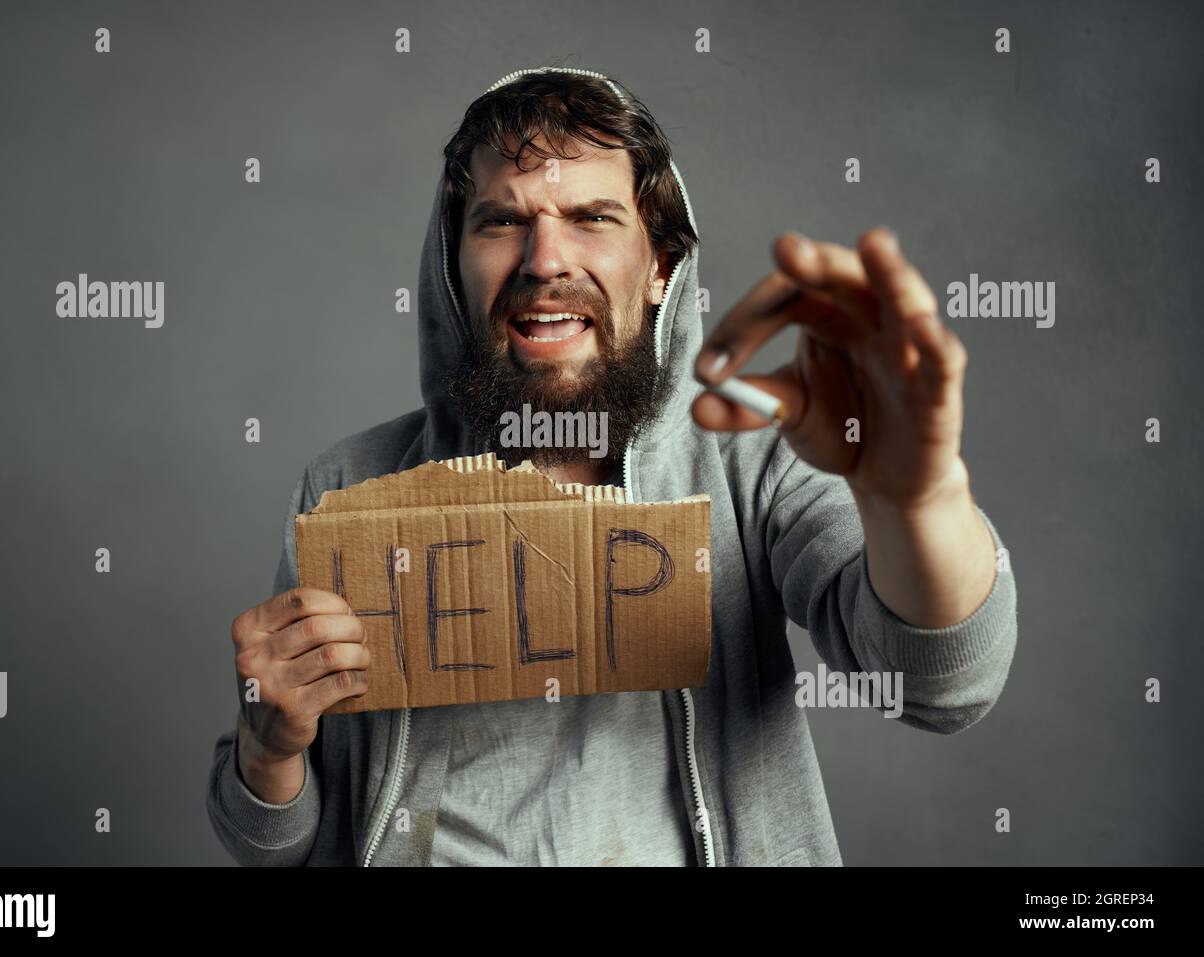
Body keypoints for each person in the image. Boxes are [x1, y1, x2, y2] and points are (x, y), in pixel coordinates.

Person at [206, 66, 1017, 866]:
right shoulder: (349, 486)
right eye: (500, 222)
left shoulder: (756, 463)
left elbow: (939, 685)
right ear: (455, 269)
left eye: (592, 217)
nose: (544, 259)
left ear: (661, 267)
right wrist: (268, 745)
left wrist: (916, 498)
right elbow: (276, 845)